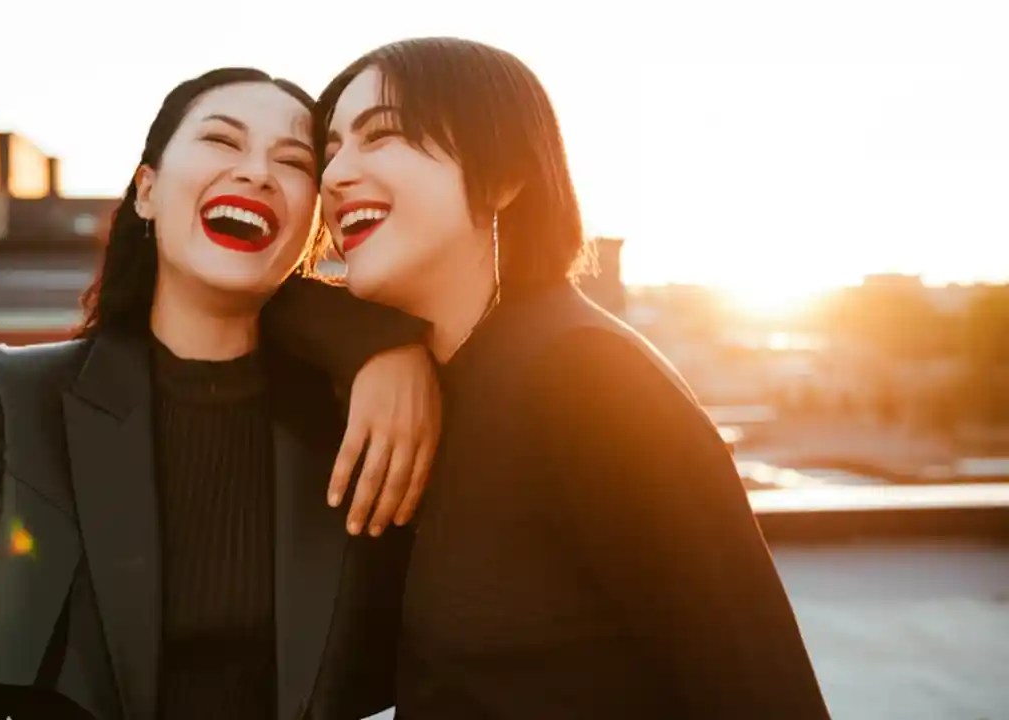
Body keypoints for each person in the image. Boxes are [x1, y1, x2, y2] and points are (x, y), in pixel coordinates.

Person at [0, 67, 441, 720]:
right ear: (146, 191)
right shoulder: (17, 399)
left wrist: (394, 347)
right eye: (224, 142)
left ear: (312, 229)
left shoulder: (358, 421)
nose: (257, 172)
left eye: (292, 160)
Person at [316, 37, 830, 718]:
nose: (334, 175)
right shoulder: (433, 380)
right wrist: (373, 349)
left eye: (380, 136)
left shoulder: (586, 376)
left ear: (502, 177)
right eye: (328, 151)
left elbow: (761, 692)